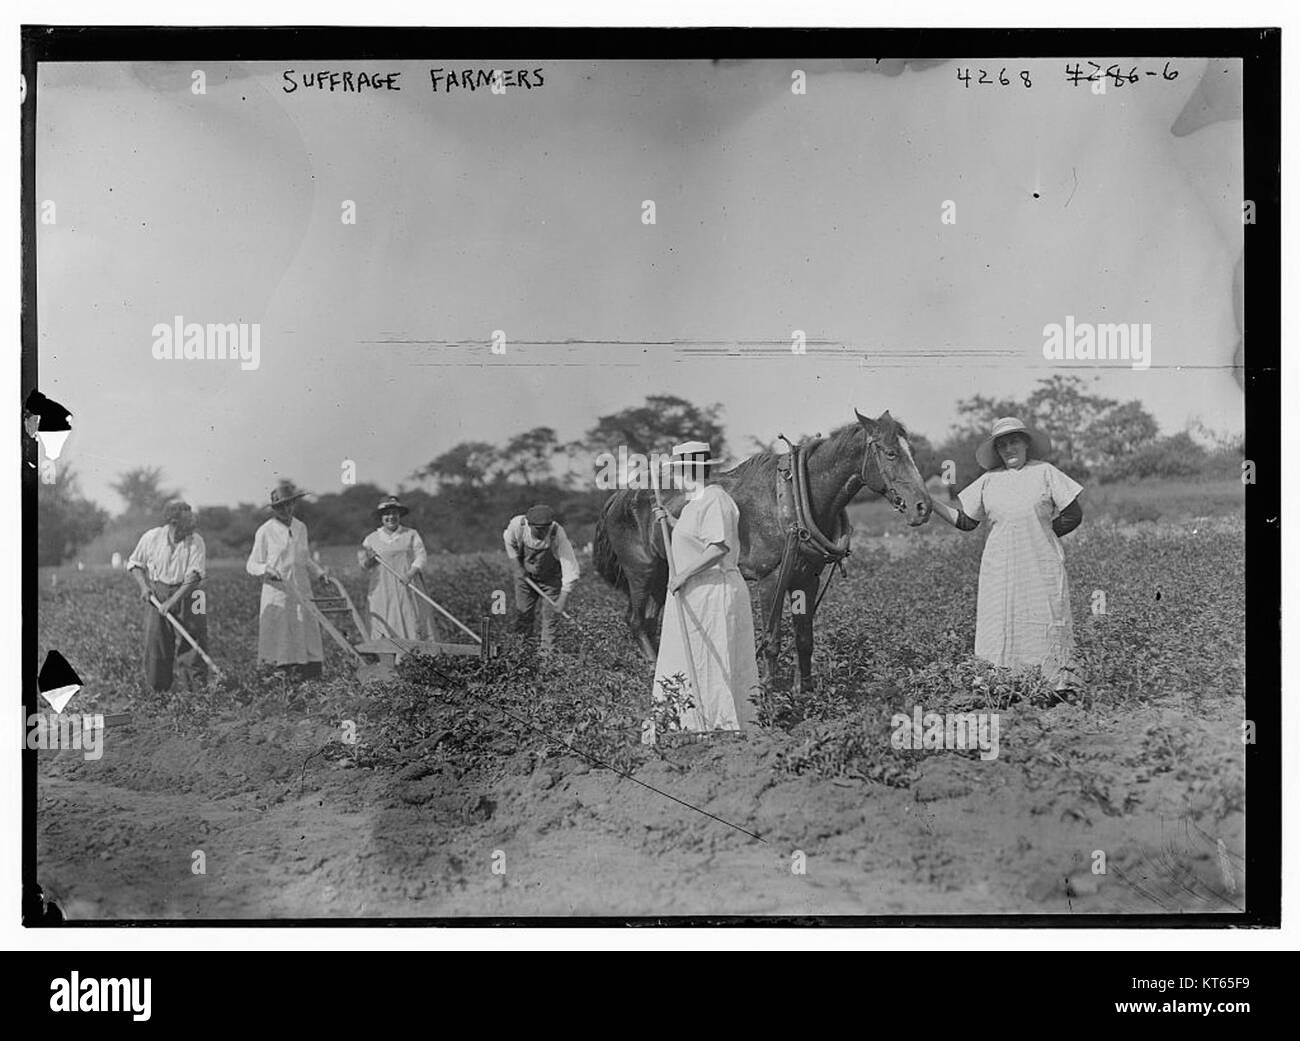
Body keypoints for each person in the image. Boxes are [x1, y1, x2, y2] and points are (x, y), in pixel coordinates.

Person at [928, 417, 1085, 689]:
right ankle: (1000, 685)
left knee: (1044, 617)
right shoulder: (989, 480)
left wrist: (1041, 535)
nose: (1009, 448)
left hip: (1041, 563)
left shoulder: (1045, 472)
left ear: (1025, 443)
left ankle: (1053, 685)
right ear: (997, 450)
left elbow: (1073, 514)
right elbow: (967, 522)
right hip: (1000, 566)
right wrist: (930, 502)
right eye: (1002, 445)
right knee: (999, 621)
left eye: (1014, 441)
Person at [651, 441, 760, 732]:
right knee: (690, 662)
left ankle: (721, 726)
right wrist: (671, 521)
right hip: (692, 594)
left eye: (678, 470)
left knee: (714, 662)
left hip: (714, 591)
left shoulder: (716, 499)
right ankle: (687, 724)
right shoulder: (694, 503)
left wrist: (683, 574)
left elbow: (718, 547)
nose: (674, 476)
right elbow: (696, 538)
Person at [245, 482, 329, 680]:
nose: (286, 509)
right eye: (280, 506)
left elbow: (305, 557)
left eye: (289, 504)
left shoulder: (301, 527)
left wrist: (319, 573)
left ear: (294, 504)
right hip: (278, 591)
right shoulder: (265, 531)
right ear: (274, 509)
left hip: (302, 588)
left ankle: (308, 674)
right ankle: (278, 675)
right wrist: (267, 569)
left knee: (305, 629)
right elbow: (251, 564)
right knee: (280, 634)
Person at [126, 499, 208, 692]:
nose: (192, 527)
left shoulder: (196, 541)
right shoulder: (151, 538)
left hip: (193, 593)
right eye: (188, 523)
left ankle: (196, 692)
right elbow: (135, 564)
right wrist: (144, 587)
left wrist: (173, 601)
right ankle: (159, 693)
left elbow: (194, 577)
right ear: (173, 522)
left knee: (194, 639)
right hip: (158, 591)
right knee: (156, 643)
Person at [357, 496, 436, 641]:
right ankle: (388, 658)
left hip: (406, 584)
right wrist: (370, 560)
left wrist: (410, 573)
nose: (391, 517)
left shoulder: (411, 534)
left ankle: (414, 656)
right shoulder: (370, 539)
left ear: (399, 515)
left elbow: (421, 557)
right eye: (387, 514)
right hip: (382, 588)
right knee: (384, 619)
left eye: (394, 513)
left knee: (411, 616)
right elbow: (363, 566)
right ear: (381, 517)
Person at [503, 503, 579, 651]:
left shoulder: (557, 533)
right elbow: (509, 542)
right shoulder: (517, 525)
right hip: (525, 578)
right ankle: (521, 653)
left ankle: (547, 659)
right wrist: (517, 566)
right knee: (524, 614)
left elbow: (569, 565)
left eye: (545, 528)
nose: (542, 531)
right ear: (529, 524)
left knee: (550, 620)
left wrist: (563, 597)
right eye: (538, 529)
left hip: (551, 579)